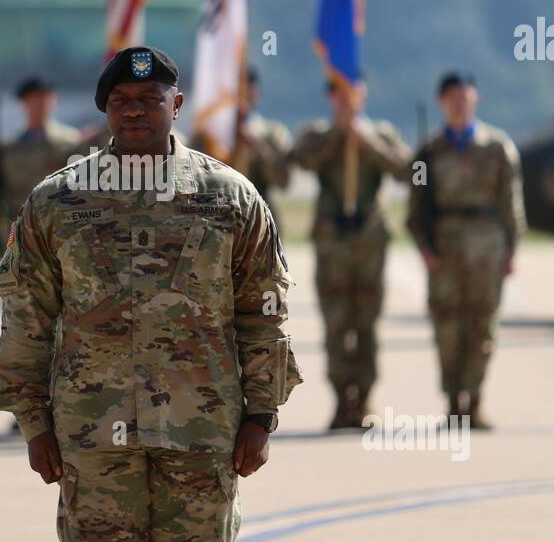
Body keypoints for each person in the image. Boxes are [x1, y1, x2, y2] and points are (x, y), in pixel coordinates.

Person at [0, 45, 302, 542]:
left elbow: (263, 311)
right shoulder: (58, 203)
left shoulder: (228, 199)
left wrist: (261, 415)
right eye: (122, 100)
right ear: (105, 111)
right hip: (95, 444)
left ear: (176, 103)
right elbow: (27, 316)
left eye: (151, 96)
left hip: (202, 437)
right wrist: (33, 421)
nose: (136, 109)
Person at [290, 78, 411, 429]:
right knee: (335, 322)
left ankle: (365, 396)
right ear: (331, 97)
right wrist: (337, 137)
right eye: (340, 96)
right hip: (333, 243)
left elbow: (406, 171)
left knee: (367, 322)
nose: (347, 102)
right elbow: (300, 161)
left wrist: (366, 142)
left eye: (353, 95)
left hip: (369, 241)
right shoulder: (317, 133)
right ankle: (342, 400)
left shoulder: (381, 132)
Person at [407, 72, 525, 428]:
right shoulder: (426, 153)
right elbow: (415, 210)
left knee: (482, 327)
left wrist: (512, 249)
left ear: (475, 100)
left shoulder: (498, 147)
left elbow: (510, 204)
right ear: (443, 102)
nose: (460, 103)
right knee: (447, 327)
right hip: (444, 251)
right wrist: (425, 249)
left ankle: (474, 400)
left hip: (488, 249)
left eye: (465, 97)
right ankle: (453, 399)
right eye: (453, 98)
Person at [0, 76, 81, 258]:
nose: (39, 105)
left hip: (60, 233)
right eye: (33, 100)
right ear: (23, 103)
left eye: (44, 99)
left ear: (53, 101)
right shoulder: (8, 149)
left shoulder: (71, 143)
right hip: (19, 233)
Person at [192, 67, 292, 231]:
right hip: (214, 224)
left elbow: (283, 181)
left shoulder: (271, 134)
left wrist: (256, 147)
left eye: (247, 89)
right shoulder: (209, 134)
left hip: (257, 223)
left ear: (256, 92)